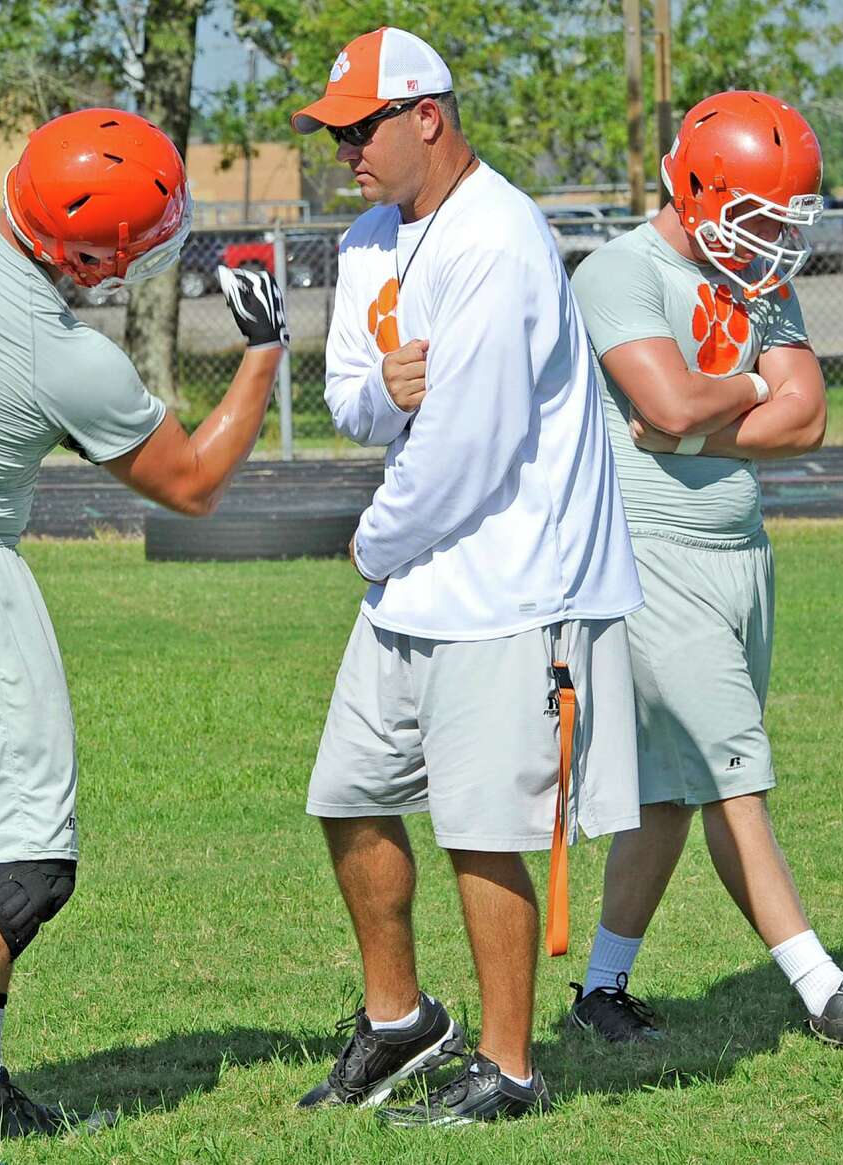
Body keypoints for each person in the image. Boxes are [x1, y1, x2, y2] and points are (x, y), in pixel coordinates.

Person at [0, 107, 288, 1165]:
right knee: (28, 857)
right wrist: (262, 349)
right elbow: (194, 483)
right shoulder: (59, 353)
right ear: (94, 252)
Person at [289, 27, 644, 1126]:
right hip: (417, 582)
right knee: (348, 797)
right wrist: (385, 393)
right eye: (334, 131)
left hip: (511, 582)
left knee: (484, 824)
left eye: (360, 128)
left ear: (427, 117)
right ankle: (400, 1020)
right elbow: (351, 394)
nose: (344, 149)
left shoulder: (498, 237)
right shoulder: (366, 240)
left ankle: (512, 1067)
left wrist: (371, 542)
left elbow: (473, 445)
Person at [567, 91, 843, 1047]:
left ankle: (601, 989)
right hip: (651, 559)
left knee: (668, 794)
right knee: (735, 774)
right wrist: (743, 388)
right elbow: (665, 397)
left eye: (785, 223)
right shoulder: (620, 271)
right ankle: (824, 992)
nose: (775, 245)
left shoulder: (757, 277)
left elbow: (805, 416)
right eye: (757, 219)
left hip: (742, 555)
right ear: (695, 190)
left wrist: (699, 424)